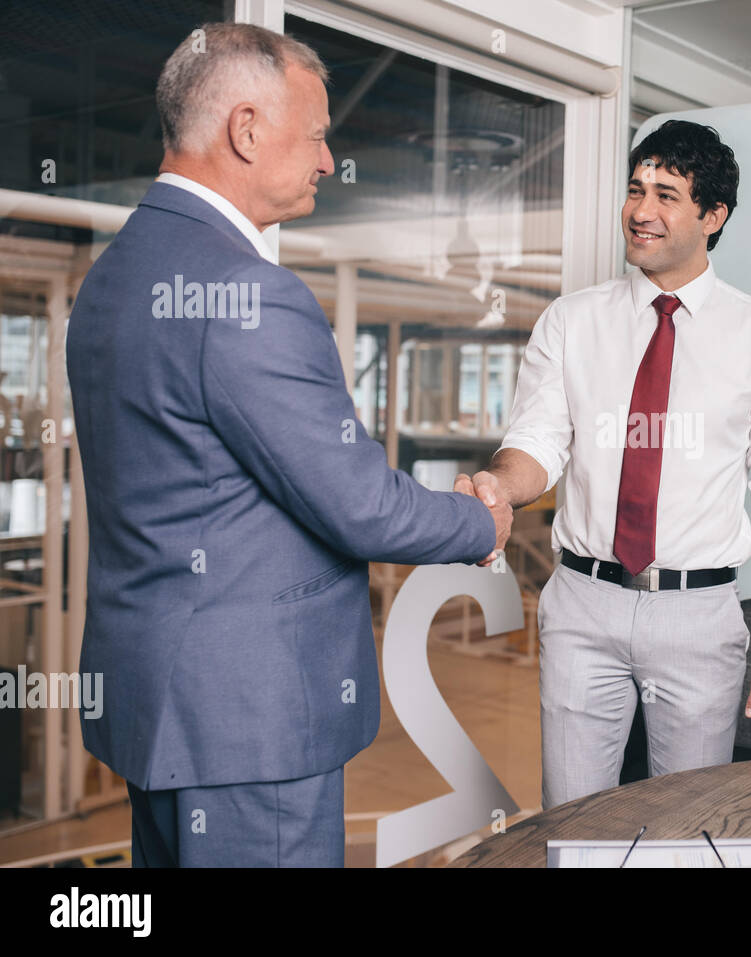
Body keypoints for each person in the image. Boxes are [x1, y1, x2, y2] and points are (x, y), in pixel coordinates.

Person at [65, 23, 511, 867]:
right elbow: (360, 504)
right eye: (314, 135)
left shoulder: (111, 279)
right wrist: (480, 522)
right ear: (245, 129)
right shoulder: (246, 293)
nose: (329, 160)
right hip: (247, 728)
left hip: (157, 703)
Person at [457, 120, 751, 809]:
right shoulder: (572, 321)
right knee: (573, 822)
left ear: (714, 217)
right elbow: (537, 442)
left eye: (667, 195)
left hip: (697, 613)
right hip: (583, 603)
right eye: (635, 189)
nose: (641, 211)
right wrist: (500, 485)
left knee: (684, 826)